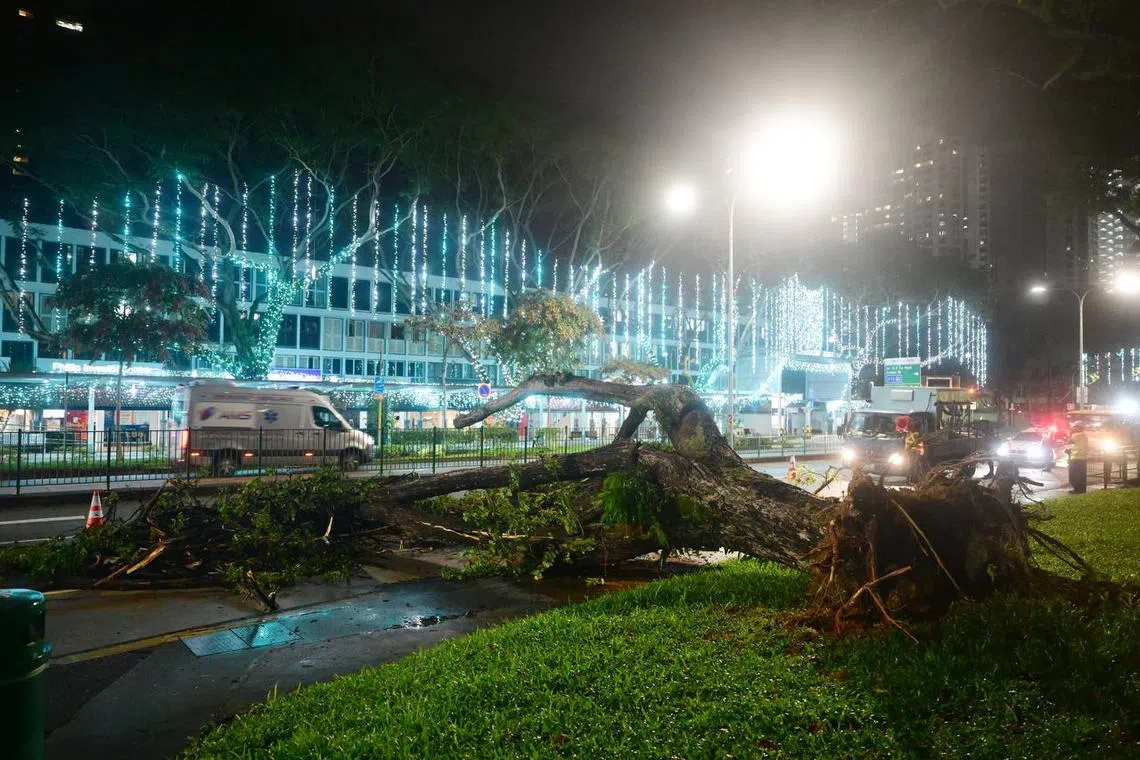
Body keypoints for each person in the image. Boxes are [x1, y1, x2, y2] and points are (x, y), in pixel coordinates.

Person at [1068, 424, 1088, 494]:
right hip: (1083, 458)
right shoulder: (1085, 436)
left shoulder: (1075, 435)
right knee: (1082, 475)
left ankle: (1076, 489)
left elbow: (1069, 442)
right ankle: (1082, 489)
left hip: (1075, 458)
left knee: (1074, 475)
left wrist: (1070, 434)